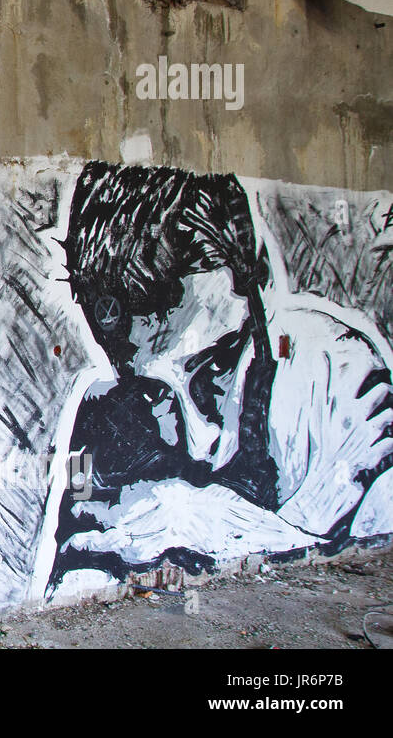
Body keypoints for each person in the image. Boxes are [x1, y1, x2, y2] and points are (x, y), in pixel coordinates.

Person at [40, 161, 393, 598]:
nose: (197, 434)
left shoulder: (331, 371)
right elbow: (69, 572)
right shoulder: (105, 410)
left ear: (253, 277)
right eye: (152, 390)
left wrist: (202, 521)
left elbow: (354, 569)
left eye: (214, 371)